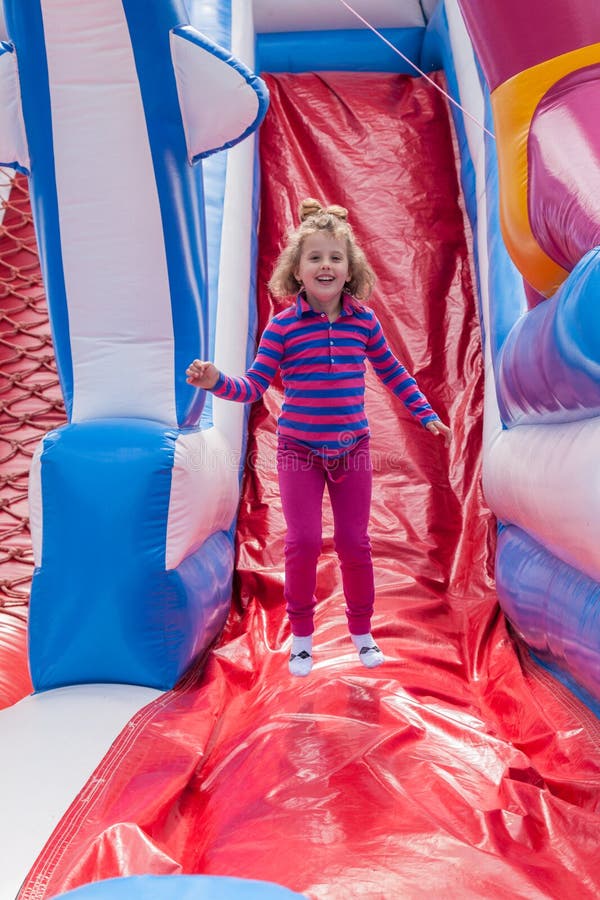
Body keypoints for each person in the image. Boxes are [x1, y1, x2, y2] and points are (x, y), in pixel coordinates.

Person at [186, 198, 451, 677]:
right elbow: (252, 386)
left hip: (352, 449)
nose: (326, 265)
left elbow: (394, 373)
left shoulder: (363, 321)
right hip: (299, 452)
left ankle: (362, 633)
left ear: (350, 270)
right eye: (315, 257)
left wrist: (425, 413)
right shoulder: (283, 327)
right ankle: (303, 639)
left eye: (335, 257)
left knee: (355, 542)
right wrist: (214, 382)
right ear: (297, 270)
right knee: (303, 542)